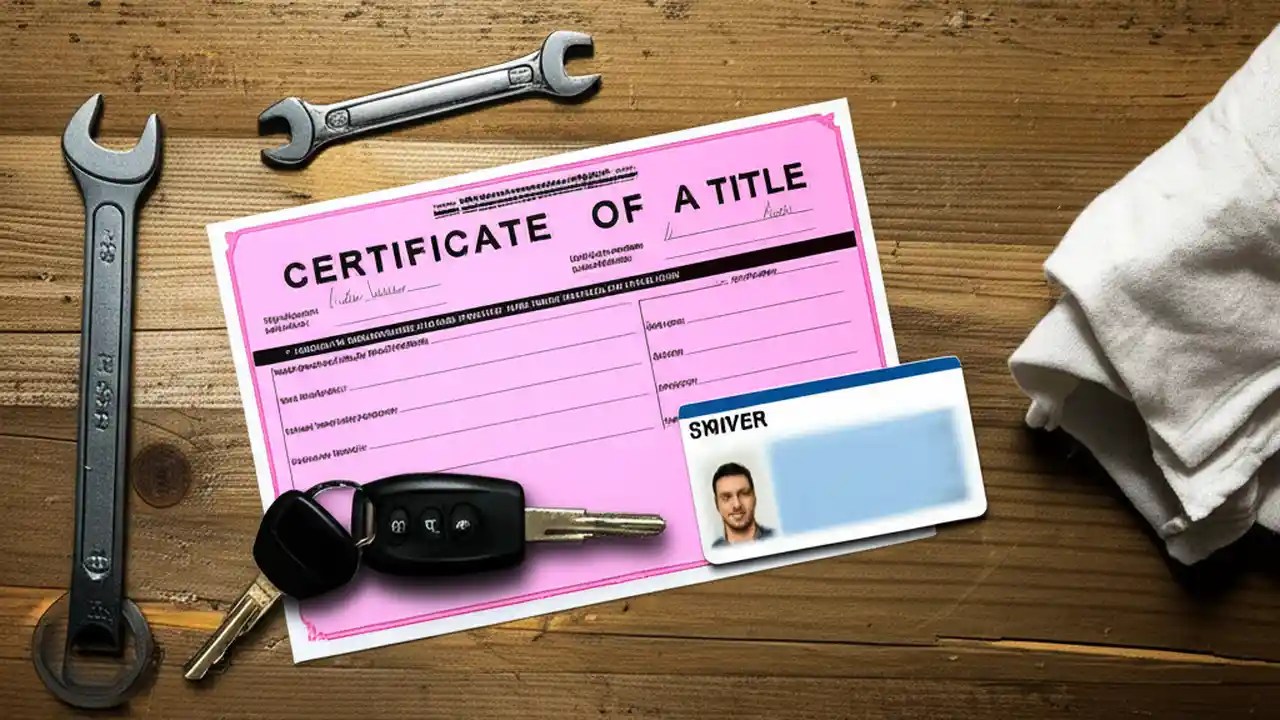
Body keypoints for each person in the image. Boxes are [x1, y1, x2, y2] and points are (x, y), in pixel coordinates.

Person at [710, 462, 774, 547]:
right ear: (716, 504)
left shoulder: (778, 540)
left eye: (744, 494)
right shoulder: (713, 551)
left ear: (754, 497)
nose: (737, 505)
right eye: (726, 497)